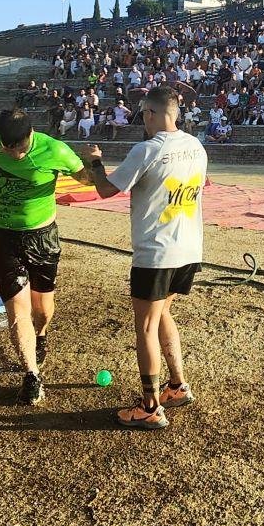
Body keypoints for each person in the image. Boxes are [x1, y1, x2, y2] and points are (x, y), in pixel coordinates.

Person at [81, 86, 208, 431]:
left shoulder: (147, 150)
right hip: (188, 249)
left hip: (156, 253)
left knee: (147, 326)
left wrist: (94, 162)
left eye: (143, 115)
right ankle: (177, 386)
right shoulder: (196, 146)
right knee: (163, 313)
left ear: (151, 114)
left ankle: (151, 406)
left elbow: (106, 189)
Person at [0, 109, 101, 406]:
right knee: (17, 311)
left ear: (30, 135)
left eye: (20, 149)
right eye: (7, 148)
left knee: (42, 310)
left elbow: (87, 180)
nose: (14, 155)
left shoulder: (55, 149)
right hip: (3, 236)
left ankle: (41, 335)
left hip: (42, 238)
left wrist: (94, 161)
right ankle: (32, 375)